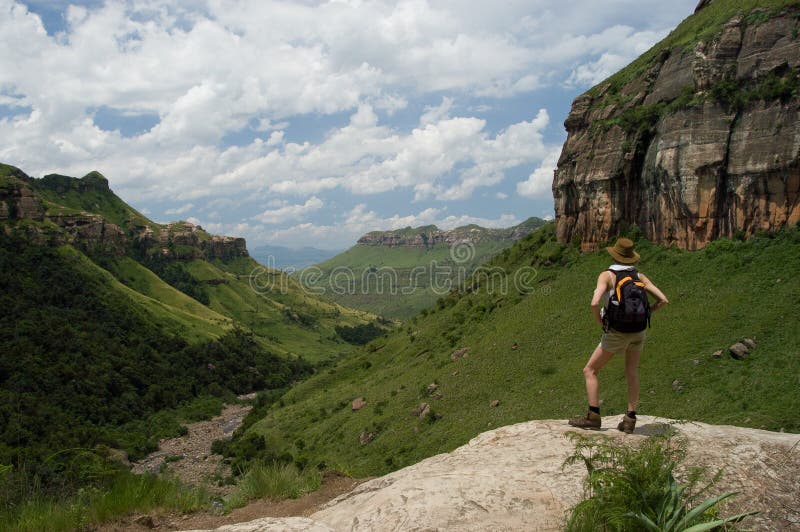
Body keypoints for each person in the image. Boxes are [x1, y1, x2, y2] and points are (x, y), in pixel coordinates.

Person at [568, 237, 669, 433]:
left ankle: (593, 416)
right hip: (639, 331)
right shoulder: (639, 276)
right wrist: (648, 312)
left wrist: (602, 323)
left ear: (614, 254)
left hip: (617, 332)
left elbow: (594, 303)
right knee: (631, 371)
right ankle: (630, 419)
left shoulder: (607, 275)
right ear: (631, 257)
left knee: (590, 370)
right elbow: (664, 300)